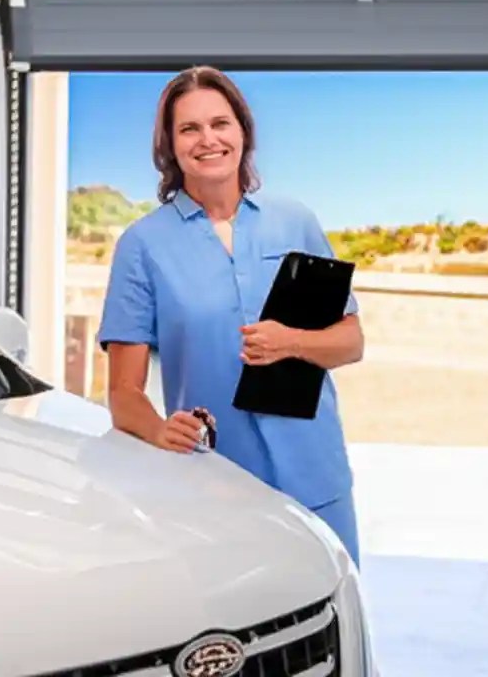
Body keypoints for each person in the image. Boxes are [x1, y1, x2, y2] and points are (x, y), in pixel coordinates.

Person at [96, 66, 366, 564]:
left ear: (243, 131)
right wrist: (158, 430)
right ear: (169, 146)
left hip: (316, 472)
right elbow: (123, 395)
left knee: (332, 623)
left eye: (220, 123)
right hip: (214, 481)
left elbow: (351, 342)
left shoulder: (295, 221)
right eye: (189, 129)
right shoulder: (143, 246)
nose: (208, 140)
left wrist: (293, 343)